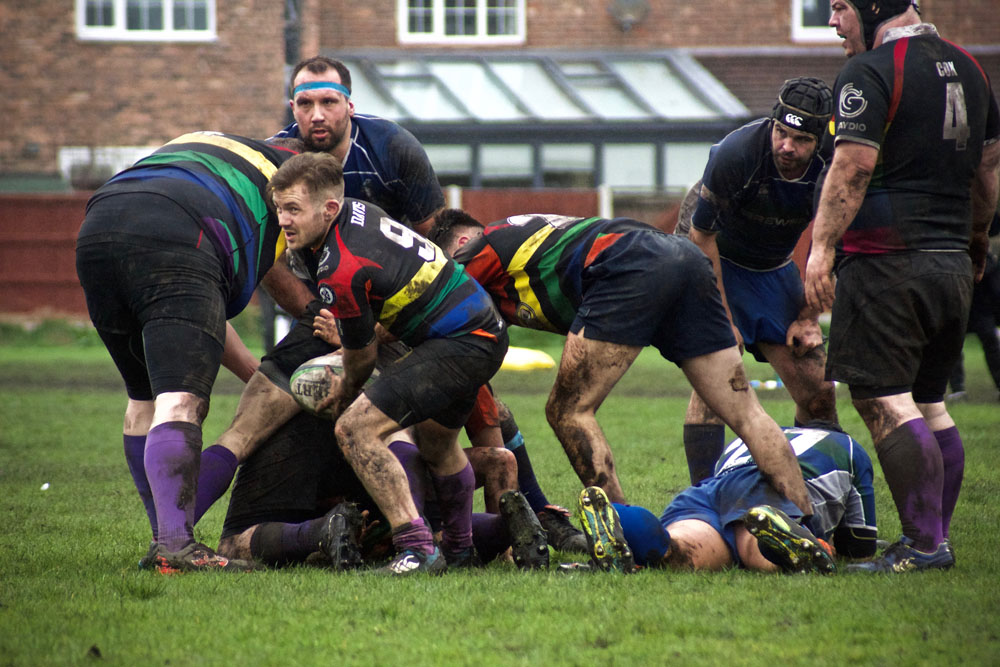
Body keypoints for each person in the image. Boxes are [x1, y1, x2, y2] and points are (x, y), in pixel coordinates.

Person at [431, 210, 814, 517]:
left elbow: (434, 301)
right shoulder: (519, 256)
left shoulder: (482, 246)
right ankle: (809, 526)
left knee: (568, 411)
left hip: (630, 263)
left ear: (462, 244)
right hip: (682, 258)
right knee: (747, 413)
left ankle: (624, 537)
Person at [804, 0, 1000, 572]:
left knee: (881, 399)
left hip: (886, 265)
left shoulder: (868, 71)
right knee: (930, 403)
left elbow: (853, 167)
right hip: (951, 266)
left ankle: (923, 545)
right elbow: (989, 170)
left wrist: (820, 248)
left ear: (873, 7)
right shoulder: (971, 66)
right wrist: (976, 242)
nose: (833, 22)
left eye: (840, 7)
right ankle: (932, 539)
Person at [75, 131, 313, 572]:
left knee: (144, 398)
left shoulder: (213, 150)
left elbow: (203, 319)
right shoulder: (284, 188)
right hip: (180, 229)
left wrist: (258, 377)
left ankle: (165, 541)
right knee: (182, 400)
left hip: (99, 225)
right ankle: (176, 546)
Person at [266, 151, 509, 575]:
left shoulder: (341, 267)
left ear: (328, 209)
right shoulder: (359, 210)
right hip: (481, 330)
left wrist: (343, 392)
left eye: (292, 209)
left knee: (355, 429)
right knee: (437, 444)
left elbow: (361, 357)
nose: (283, 220)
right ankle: (460, 549)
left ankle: (417, 549)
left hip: (460, 341)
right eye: (279, 208)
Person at [677, 77, 839, 485]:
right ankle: (704, 500)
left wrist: (807, 315)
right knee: (716, 384)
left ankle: (817, 493)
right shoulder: (736, 152)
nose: (786, 146)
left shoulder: (838, 165)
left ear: (818, 139)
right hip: (711, 257)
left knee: (819, 393)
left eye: (800, 139)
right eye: (780, 132)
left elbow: (837, 244)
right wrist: (722, 320)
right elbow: (701, 238)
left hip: (771, 267)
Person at [214, 412, 550, 571]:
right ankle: (502, 529)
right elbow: (494, 443)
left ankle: (326, 530)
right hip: (395, 458)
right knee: (495, 462)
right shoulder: (455, 335)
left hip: (321, 436)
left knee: (233, 542)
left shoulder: (344, 297)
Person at [572, 423, 877, 574]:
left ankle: (618, 519)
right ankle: (779, 540)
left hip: (709, 491)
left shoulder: (763, 430)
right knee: (752, 544)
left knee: (677, 550)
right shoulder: (850, 448)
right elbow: (860, 545)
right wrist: (837, 547)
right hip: (765, 484)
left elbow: (725, 484)